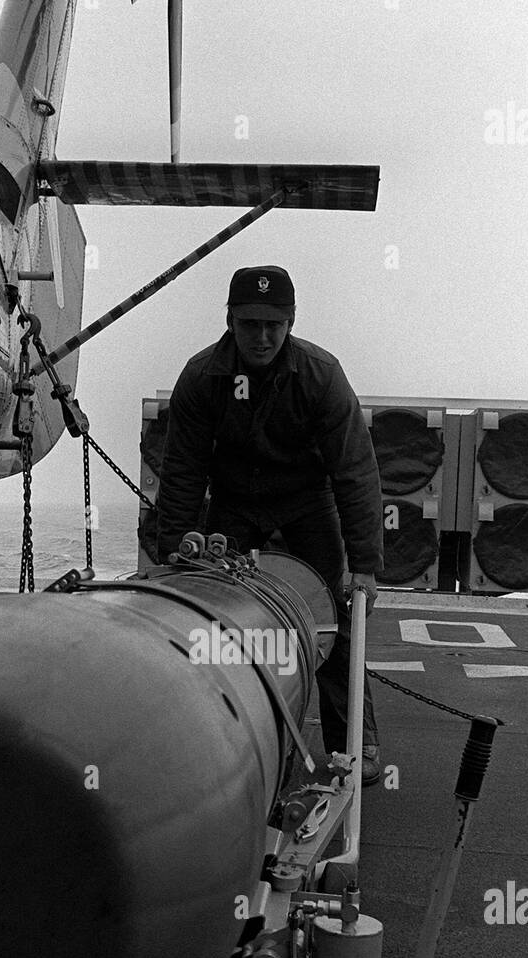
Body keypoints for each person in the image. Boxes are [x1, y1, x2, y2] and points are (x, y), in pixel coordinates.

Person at [155, 265, 383, 783]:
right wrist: (175, 549)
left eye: (273, 325)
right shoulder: (200, 377)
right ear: (230, 320)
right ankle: (221, 729)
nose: (262, 337)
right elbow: (183, 469)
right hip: (235, 501)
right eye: (250, 324)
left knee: (337, 619)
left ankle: (356, 743)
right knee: (214, 614)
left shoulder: (321, 374)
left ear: (291, 321)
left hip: (307, 500)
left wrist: (365, 566)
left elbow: (356, 472)